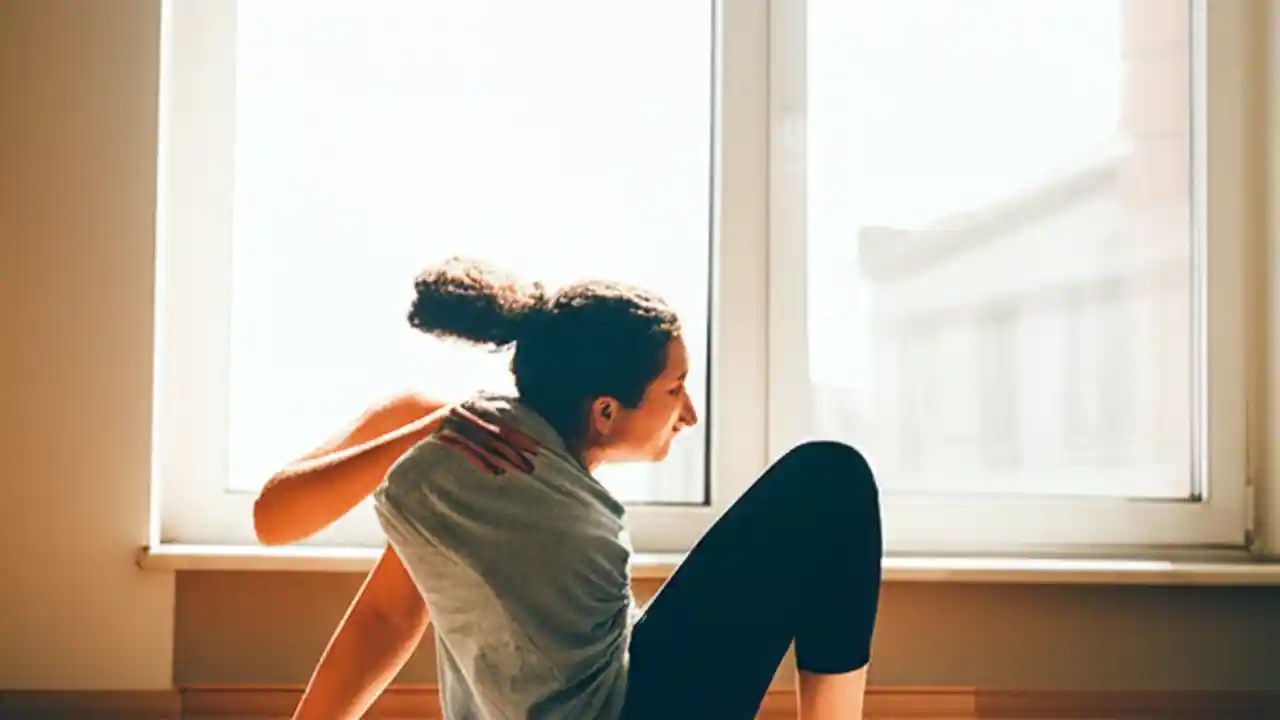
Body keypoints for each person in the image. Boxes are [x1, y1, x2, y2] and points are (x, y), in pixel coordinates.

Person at [254, 258, 883, 719]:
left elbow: (388, 611)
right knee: (829, 479)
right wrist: (422, 431)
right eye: (674, 389)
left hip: (617, 694)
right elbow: (273, 520)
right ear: (605, 411)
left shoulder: (504, 472)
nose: (689, 413)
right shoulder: (460, 443)